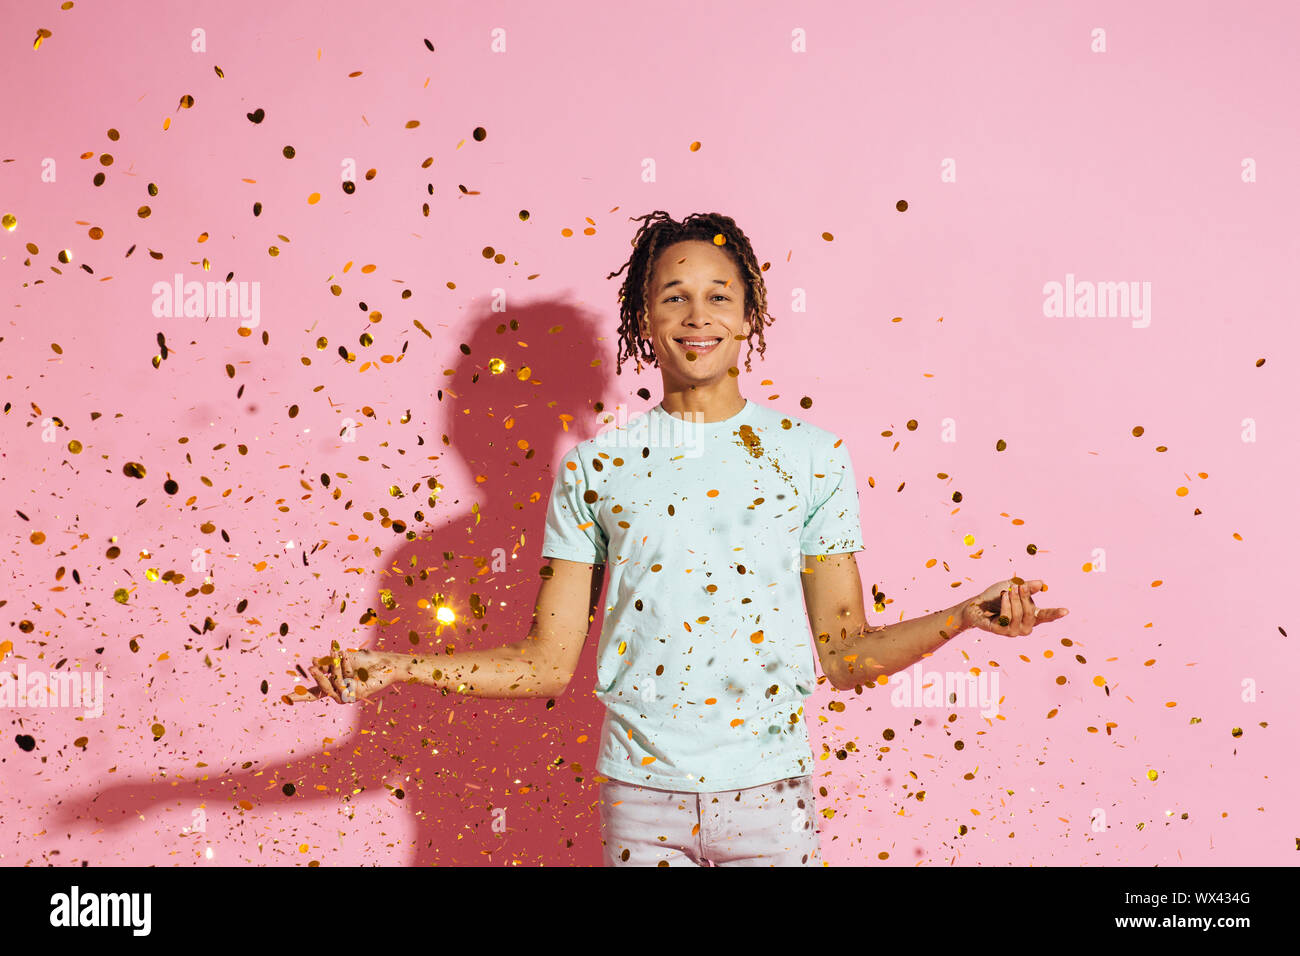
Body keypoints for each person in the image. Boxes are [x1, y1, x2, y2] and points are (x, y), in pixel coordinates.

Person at [306, 210, 1070, 866]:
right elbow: (545, 664)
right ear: (644, 321)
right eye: (674, 297)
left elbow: (846, 656)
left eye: (718, 296)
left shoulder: (811, 457)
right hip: (640, 806)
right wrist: (396, 667)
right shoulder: (596, 471)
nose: (697, 316)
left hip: (773, 801)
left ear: (749, 317)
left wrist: (962, 617)